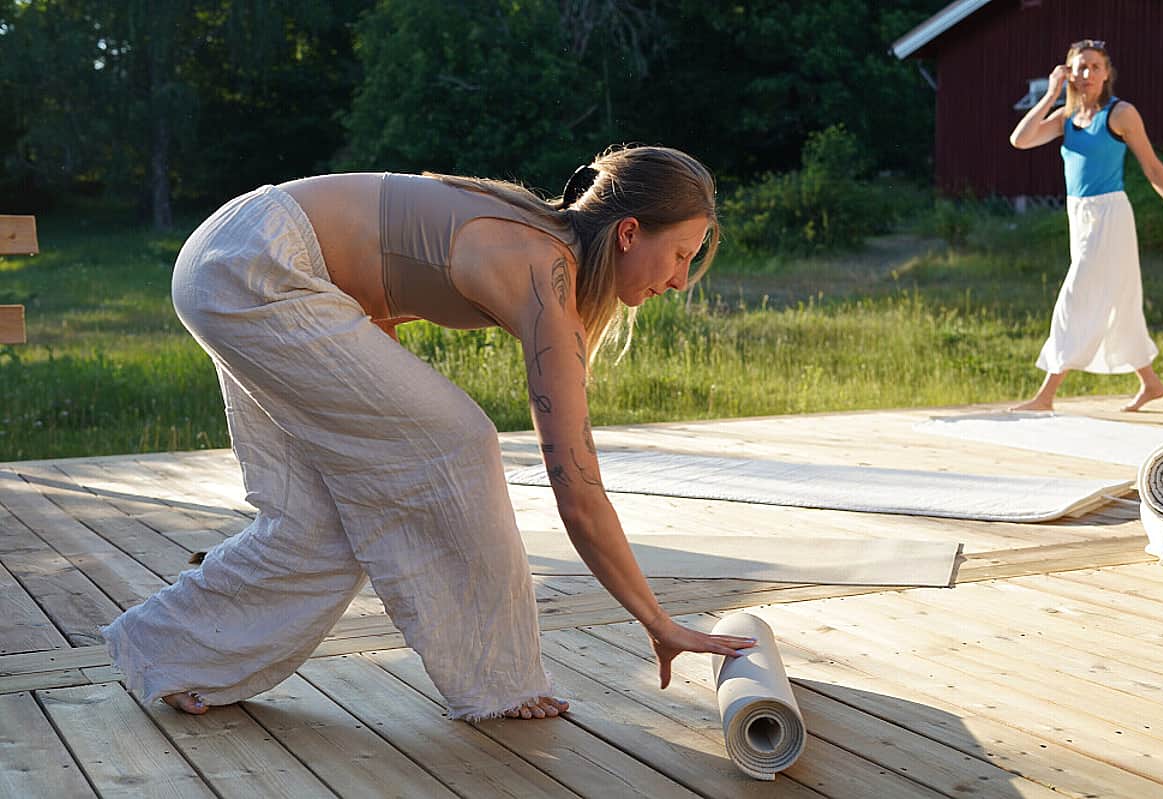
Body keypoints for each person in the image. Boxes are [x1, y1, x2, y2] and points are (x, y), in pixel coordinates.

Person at [100, 145, 756, 722]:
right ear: (630, 232)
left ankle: (171, 654)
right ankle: (500, 679)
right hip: (257, 264)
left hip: (234, 253)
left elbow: (370, 288)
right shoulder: (538, 271)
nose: (677, 280)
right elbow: (579, 493)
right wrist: (658, 622)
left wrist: (366, 465)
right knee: (462, 441)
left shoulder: (537, 242)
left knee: (319, 521)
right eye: (678, 256)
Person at [1008, 39, 1163, 413]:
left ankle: (1045, 395)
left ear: (1107, 73)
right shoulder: (1065, 118)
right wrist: (1050, 94)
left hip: (1110, 216)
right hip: (1078, 216)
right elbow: (1020, 140)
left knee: (1075, 295)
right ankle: (1151, 383)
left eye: (1095, 67)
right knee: (1119, 301)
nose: (1087, 74)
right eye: (1080, 67)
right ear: (1068, 72)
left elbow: (1153, 167)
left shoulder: (1121, 113)